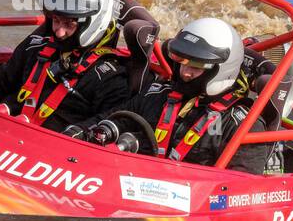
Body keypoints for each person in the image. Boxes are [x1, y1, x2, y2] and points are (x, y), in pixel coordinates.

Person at [81, 17, 274, 173]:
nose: (185, 73)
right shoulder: (158, 94)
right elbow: (110, 119)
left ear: (221, 70)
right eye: (181, 61)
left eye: (196, 67)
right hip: (133, 185)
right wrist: (79, 133)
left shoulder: (243, 125)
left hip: (186, 211)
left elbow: (239, 192)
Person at [0, 0, 143, 132]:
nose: (59, 32)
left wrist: (78, 132)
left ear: (91, 23)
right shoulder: (34, 47)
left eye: (69, 24)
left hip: (53, 153)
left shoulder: (110, 79)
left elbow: (106, 129)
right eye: (56, 20)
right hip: (2, 134)